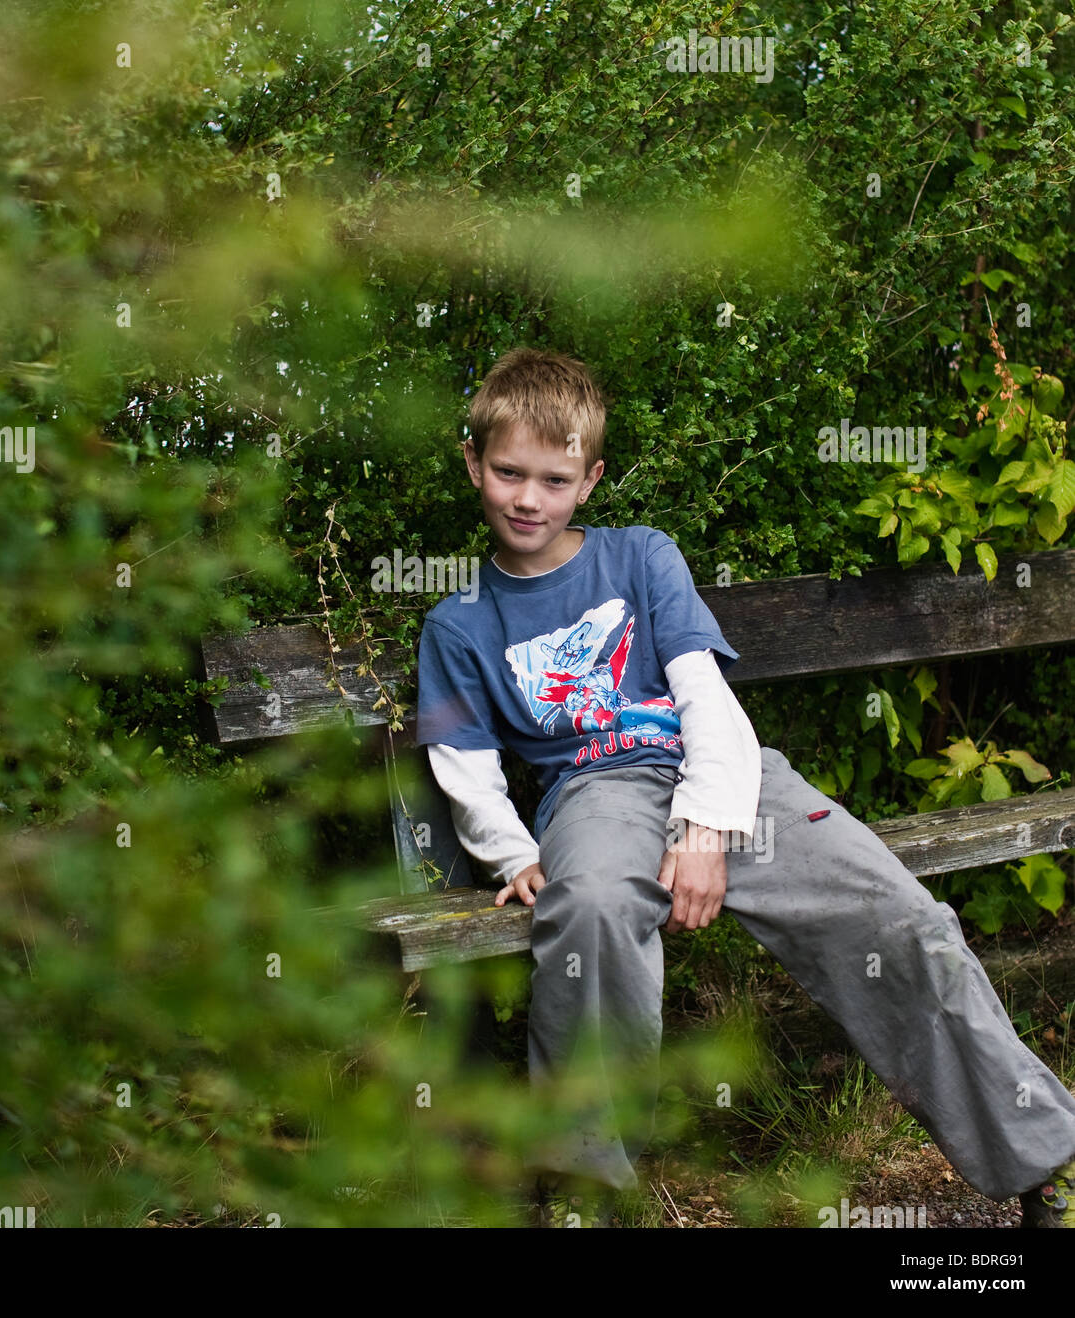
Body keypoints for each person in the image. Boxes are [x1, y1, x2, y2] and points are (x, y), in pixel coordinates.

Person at [413, 346, 1075, 1228]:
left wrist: (705, 828)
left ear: (592, 478)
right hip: (594, 793)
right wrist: (510, 851)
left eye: (554, 478)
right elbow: (465, 764)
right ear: (473, 464)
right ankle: (583, 1193)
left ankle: (1040, 1160)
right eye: (507, 473)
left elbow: (705, 699)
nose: (528, 498)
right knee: (592, 911)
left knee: (899, 917)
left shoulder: (642, 559)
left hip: (722, 771)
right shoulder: (459, 622)